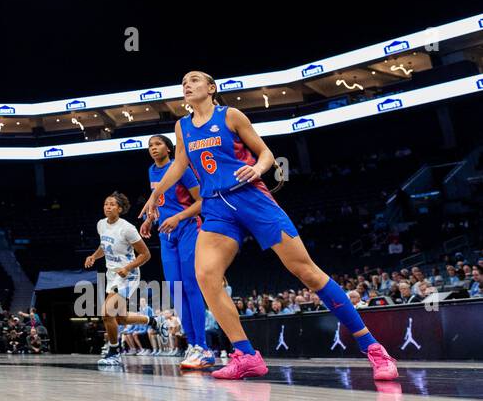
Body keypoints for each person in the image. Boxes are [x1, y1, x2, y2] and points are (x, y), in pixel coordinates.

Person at [142, 70, 398, 381]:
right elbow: (181, 163)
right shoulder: (182, 127)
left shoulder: (231, 115)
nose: (187, 83)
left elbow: (265, 153)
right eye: (183, 81)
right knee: (206, 275)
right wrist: (156, 195)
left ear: (211, 88)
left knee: (306, 271)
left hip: (252, 198)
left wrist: (257, 168)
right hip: (216, 207)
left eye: (194, 79)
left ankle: (373, 348)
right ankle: (246, 355)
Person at [139, 135, 213, 370]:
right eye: (150, 146)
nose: (153, 148)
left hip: (188, 229)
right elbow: (159, 201)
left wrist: (179, 217)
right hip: (165, 235)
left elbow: (202, 201)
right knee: (175, 289)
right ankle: (192, 345)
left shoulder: (181, 168)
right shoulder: (152, 171)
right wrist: (150, 218)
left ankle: (203, 346)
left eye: (158, 144)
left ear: (169, 148)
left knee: (190, 286)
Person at [85, 192, 167, 366]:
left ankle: (114, 352)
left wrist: (128, 267)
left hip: (128, 275)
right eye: (106, 203)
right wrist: (93, 256)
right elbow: (104, 245)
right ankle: (152, 320)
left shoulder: (127, 228)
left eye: (112, 204)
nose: (108, 207)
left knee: (107, 313)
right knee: (120, 318)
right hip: (112, 275)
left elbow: (146, 254)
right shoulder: (101, 225)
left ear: (120, 209)